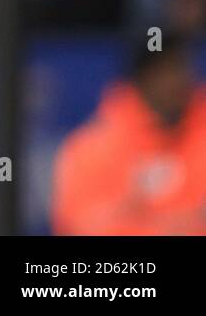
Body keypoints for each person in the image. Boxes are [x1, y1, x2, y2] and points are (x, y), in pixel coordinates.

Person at [52, 35, 206, 235]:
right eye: (162, 71)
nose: (176, 81)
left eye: (179, 66)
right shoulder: (91, 148)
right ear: (140, 78)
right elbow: (76, 226)